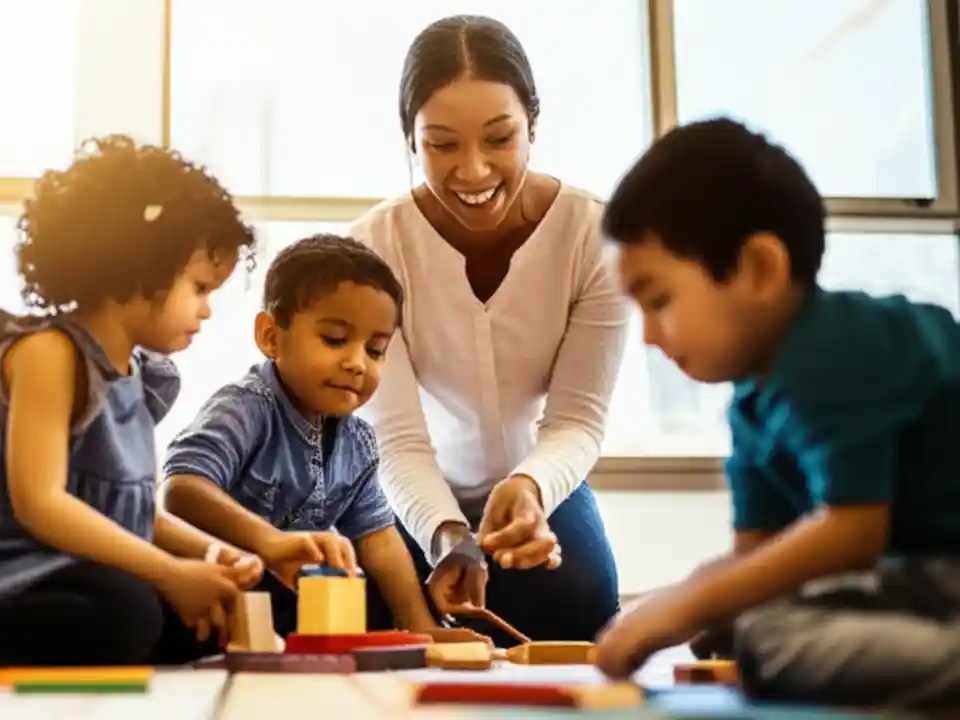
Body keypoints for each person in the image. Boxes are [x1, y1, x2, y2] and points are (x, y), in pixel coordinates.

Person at [0, 135, 262, 670]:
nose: (206, 311)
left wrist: (212, 557)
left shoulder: (136, 377)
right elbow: (42, 504)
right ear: (138, 264)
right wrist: (170, 573)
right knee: (130, 612)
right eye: (200, 287)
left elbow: (127, 512)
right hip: (6, 570)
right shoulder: (50, 354)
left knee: (200, 618)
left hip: (78, 570)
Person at [591, 117, 960, 711]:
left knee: (768, 639)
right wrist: (675, 607)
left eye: (659, 301)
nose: (650, 338)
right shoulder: (752, 404)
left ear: (760, 268)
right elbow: (755, 557)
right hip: (909, 583)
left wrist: (692, 601)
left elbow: (852, 531)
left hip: (937, 573)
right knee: (750, 628)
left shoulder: (835, 347)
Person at [348, 14, 628, 643]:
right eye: (442, 145)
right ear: (411, 141)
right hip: (417, 485)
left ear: (533, 125)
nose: (473, 171)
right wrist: (446, 532)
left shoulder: (594, 238)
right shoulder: (373, 248)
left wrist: (529, 487)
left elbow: (578, 421)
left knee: (576, 601)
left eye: (499, 139)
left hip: (542, 479)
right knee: (379, 610)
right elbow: (395, 440)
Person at [162, 234, 439, 638]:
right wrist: (269, 542)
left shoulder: (358, 442)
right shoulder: (246, 407)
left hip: (294, 593)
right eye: (335, 339)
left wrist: (422, 629)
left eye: (376, 350)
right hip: (223, 582)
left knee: (372, 595)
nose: (357, 363)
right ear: (272, 338)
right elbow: (181, 489)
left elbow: (378, 540)